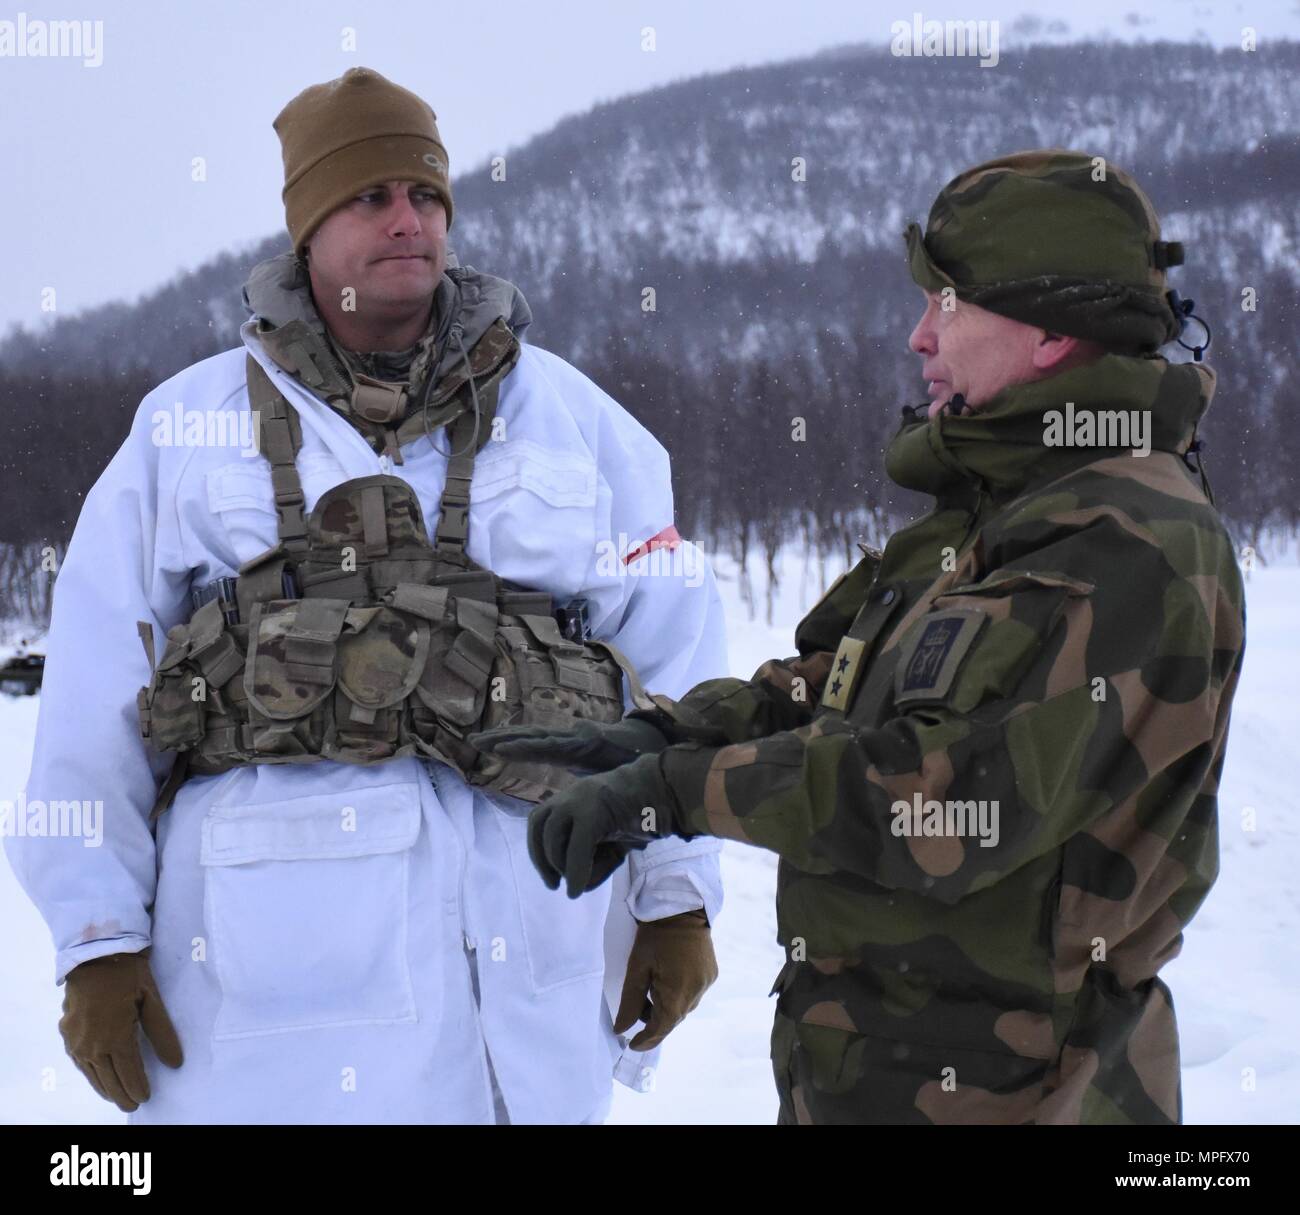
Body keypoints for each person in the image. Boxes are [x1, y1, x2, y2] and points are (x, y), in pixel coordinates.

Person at [6, 66, 727, 1125]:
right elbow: (94, 699)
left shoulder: (570, 417)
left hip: (528, 988)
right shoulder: (187, 428)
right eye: (369, 196)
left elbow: (674, 661)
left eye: (427, 196)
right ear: (306, 229)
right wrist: (96, 939)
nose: (407, 219)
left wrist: (677, 897)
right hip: (263, 1003)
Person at [471, 149, 1247, 1125]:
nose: (920, 337)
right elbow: (841, 685)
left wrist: (676, 793)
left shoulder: (1122, 541)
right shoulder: (1001, 510)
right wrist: (669, 733)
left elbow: (942, 804)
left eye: (948, 305)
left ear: (1050, 333)